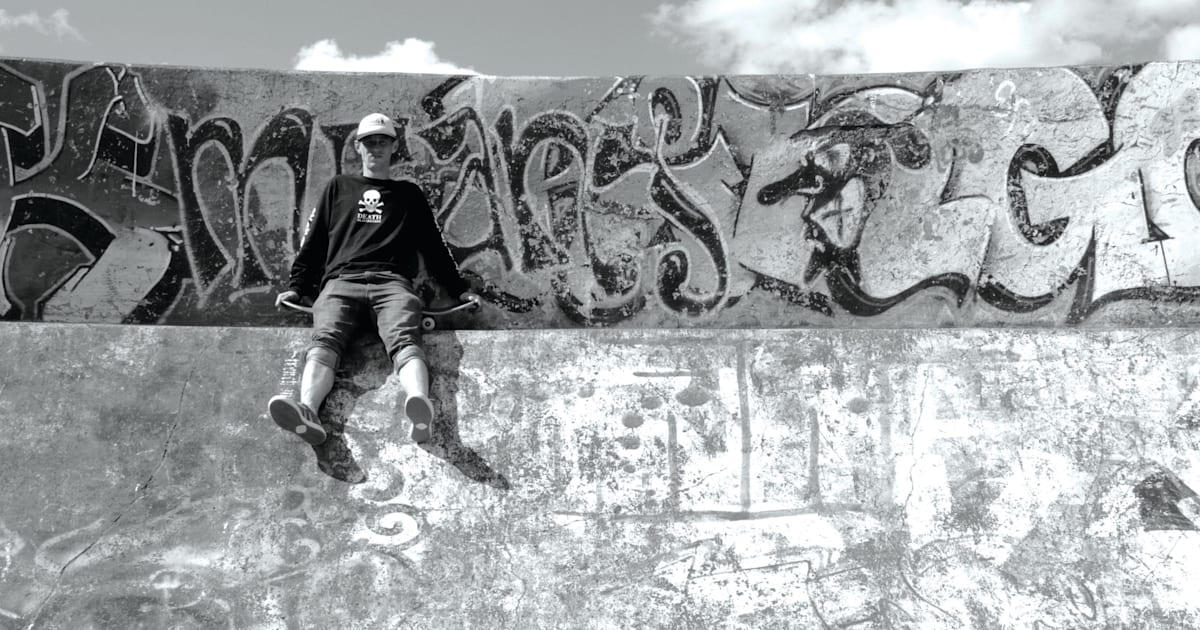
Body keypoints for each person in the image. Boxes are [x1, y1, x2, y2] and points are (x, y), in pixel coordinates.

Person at [268, 112, 479, 446]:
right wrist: (297, 286)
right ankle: (307, 412)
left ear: (393, 147)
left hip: (392, 283)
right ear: (358, 147)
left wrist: (459, 290)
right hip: (340, 282)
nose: (375, 148)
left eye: (382, 142)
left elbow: (433, 246)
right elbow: (316, 241)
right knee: (324, 340)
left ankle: (419, 404)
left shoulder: (409, 195)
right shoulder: (339, 187)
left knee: (404, 339)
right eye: (369, 143)